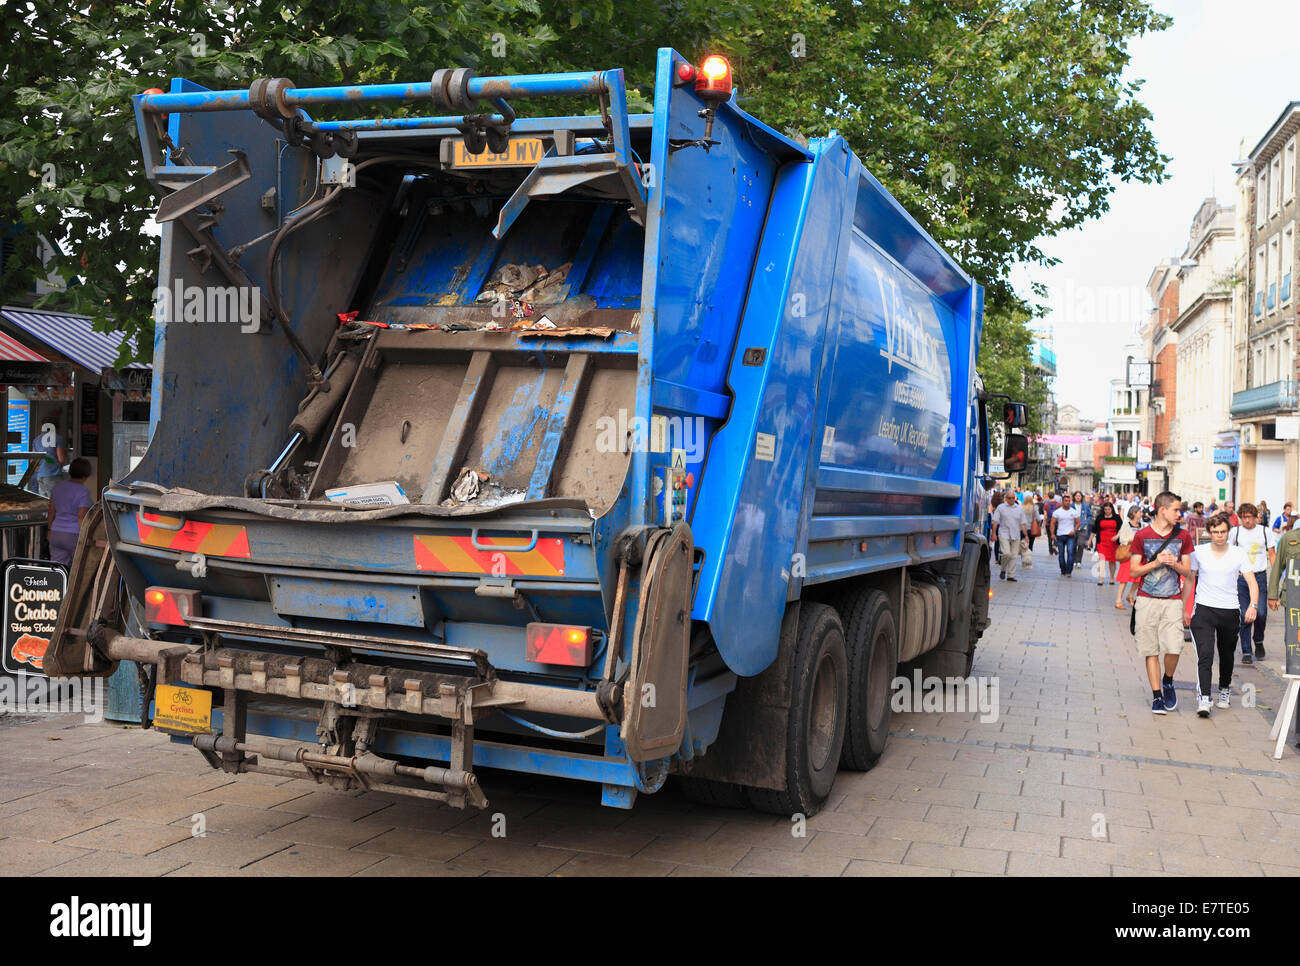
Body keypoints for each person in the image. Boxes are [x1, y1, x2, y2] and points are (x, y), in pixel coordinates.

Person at [1184, 512, 1257, 717]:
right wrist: (1184, 608)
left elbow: (1251, 581)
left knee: (1226, 655)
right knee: (1205, 654)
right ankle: (1205, 698)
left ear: (1229, 532)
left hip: (1230, 610)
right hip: (1204, 609)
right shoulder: (1198, 552)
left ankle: (1224, 689)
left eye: (1223, 531)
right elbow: (1190, 579)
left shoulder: (1238, 553)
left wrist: (1253, 605)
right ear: (1208, 532)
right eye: (1215, 532)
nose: (1219, 536)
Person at [1129, 491, 1194, 714]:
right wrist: (1156, 562)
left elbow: (1189, 573)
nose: (1180, 513)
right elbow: (1134, 570)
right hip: (1147, 599)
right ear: (1162, 510)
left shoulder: (1183, 536)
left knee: (1174, 647)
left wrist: (1174, 564)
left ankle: (1168, 680)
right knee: (1150, 649)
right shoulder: (1142, 536)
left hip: (1172, 600)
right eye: (1176, 509)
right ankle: (1157, 696)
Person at [1228, 503, 1276, 665]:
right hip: (1241, 578)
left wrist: (1276, 576)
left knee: (1260, 613)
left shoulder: (1264, 531)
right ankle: (1247, 650)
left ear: (1256, 517)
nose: (1247, 520)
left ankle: (1259, 639)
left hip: (1259, 576)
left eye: (1250, 517)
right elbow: (1230, 553)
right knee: (1244, 615)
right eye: (1244, 517)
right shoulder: (1235, 532)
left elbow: (1272, 554)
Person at [47, 457, 92, 566]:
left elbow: (51, 512)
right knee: (76, 571)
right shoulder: (83, 491)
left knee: (58, 570)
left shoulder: (58, 487)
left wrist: (49, 530)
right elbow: (81, 516)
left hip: (56, 533)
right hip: (73, 535)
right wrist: (86, 536)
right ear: (86, 473)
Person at [993, 491, 1027, 582]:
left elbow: (1023, 523)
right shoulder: (1001, 507)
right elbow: (995, 521)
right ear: (1006, 498)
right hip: (1004, 533)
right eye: (1009, 498)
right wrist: (993, 533)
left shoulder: (1019, 509)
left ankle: (1010, 575)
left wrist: (1026, 535)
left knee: (1014, 556)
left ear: (1015, 498)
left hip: (1016, 534)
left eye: (1013, 498)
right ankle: (1003, 569)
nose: (1011, 499)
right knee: (1006, 553)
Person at [32, 416, 68, 499]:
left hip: (40, 475)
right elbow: (61, 459)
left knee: (44, 504)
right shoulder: (58, 438)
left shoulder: (36, 440)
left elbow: (34, 460)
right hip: (53, 475)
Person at [1115, 504, 1142, 609]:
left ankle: (1130, 595)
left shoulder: (1142, 525)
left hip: (1139, 554)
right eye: (1139, 512)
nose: (1141, 514)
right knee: (1124, 578)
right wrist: (1134, 539)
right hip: (1128, 554)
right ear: (1134, 513)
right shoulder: (1126, 525)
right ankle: (1118, 601)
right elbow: (1122, 540)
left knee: (1138, 577)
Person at [1049, 491, 1082, 577]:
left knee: (1070, 552)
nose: (1067, 502)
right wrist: (1052, 534)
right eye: (1065, 501)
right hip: (1060, 535)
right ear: (1063, 502)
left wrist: (1074, 530)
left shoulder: (1073, 511)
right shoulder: (1057, 512)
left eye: (1068, 501)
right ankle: (1062, 569)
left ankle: (1069, 570)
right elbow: (1052, 523)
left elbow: (1078, 523)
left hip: (1070, 535)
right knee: (1061, 554)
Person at [1092, 501, 1121, 585]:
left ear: (1112, 509)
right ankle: (1101, 579)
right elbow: (1094, 529)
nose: (1107, 511)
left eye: (1108, 509)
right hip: (1102, 541)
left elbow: (1121, 528)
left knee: (1112, 561)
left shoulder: (1117, 517)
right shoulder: (1100, 517)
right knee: (1102, 559)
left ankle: (1112, 578)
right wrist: (1090, 540)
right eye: (1105, 509)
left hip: (1113, 541)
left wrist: (1117, 536)